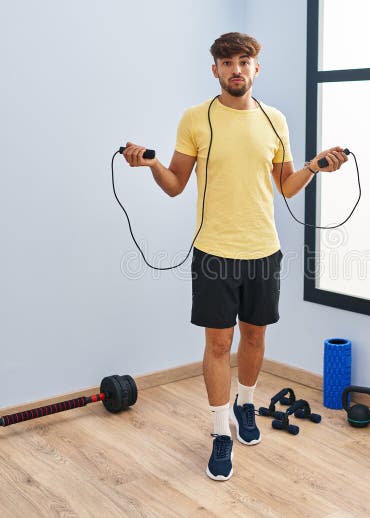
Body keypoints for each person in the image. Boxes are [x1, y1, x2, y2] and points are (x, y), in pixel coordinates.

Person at [121, 32, 348, 481]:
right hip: (214, 253)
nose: (236, 69)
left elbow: (285, 186)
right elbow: (175, 185)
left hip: (264, 250)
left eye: (244, 61)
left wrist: (314, 166)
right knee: (218, 344)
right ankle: (220, 432)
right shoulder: (196, 119)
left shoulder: (274, 120)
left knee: (256, 337)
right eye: (227, 63)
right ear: (216, 70)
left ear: (256, 68)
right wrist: (149, 165)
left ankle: (246, 405)